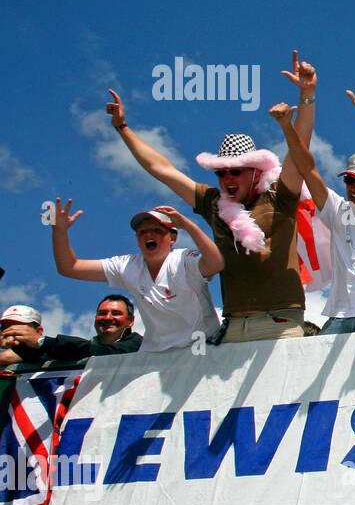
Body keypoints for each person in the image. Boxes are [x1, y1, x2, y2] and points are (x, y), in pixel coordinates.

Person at [106, 50, 317, 341]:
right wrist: (123, 128)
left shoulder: (278, 195)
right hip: (232, 324)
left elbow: (299, 151)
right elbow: (162, 169)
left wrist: (307, 94)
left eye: (236, 171)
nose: (227, 178)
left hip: (279, 321)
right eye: (221, 172)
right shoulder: (213, 202)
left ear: (256, 170)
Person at [271, 88, 355, 334]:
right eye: (349, 180)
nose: (354, 187)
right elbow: (306, 167)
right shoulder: (337, 209)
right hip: (338, 316)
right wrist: (286, 127)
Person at [41, 199, 222, 353]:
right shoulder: (127, 265)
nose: (148, 235)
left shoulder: (184, 260)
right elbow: (70, 268)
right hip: (156, 357)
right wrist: (59, 232)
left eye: (157, 230)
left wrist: (189, 225)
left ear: (172, 238)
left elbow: (216, 263)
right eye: (142, 232)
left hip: (202, 350)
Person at [4, 296, 142, 366]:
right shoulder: (82, 349)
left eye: (116, 313)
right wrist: (18, 345)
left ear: (131, 321)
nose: (107, 318)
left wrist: (41, 341)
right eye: (102, 313)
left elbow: (101, 353)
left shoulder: (139, 344)